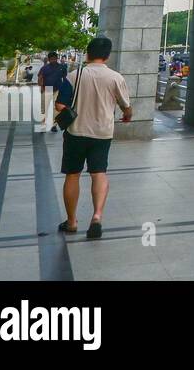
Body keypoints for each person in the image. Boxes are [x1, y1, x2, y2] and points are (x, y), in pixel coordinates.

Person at [55, 36, 132, 240]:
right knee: (99, 173)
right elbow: (126, 106)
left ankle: (71, 222)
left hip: (76, 132)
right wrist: (127, 115)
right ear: (107, 56)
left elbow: (60, 105)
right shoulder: (116, 78)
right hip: (102, 133)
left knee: (72, 175)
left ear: (88, 53)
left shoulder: (74, 75)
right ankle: (97, 216)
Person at [37, 52, 69, 133]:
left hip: (58, 89)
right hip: (47, 89)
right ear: (49, 59)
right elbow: (40, 78)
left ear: (57, 58)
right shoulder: (44, 68)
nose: (53, 60)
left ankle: (54, 125)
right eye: (51, 59)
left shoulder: (62, 67)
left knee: (57, 108)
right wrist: (41, 87)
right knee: (45, 108)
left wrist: (65, 89)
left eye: (55, 58)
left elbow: (65, 79)